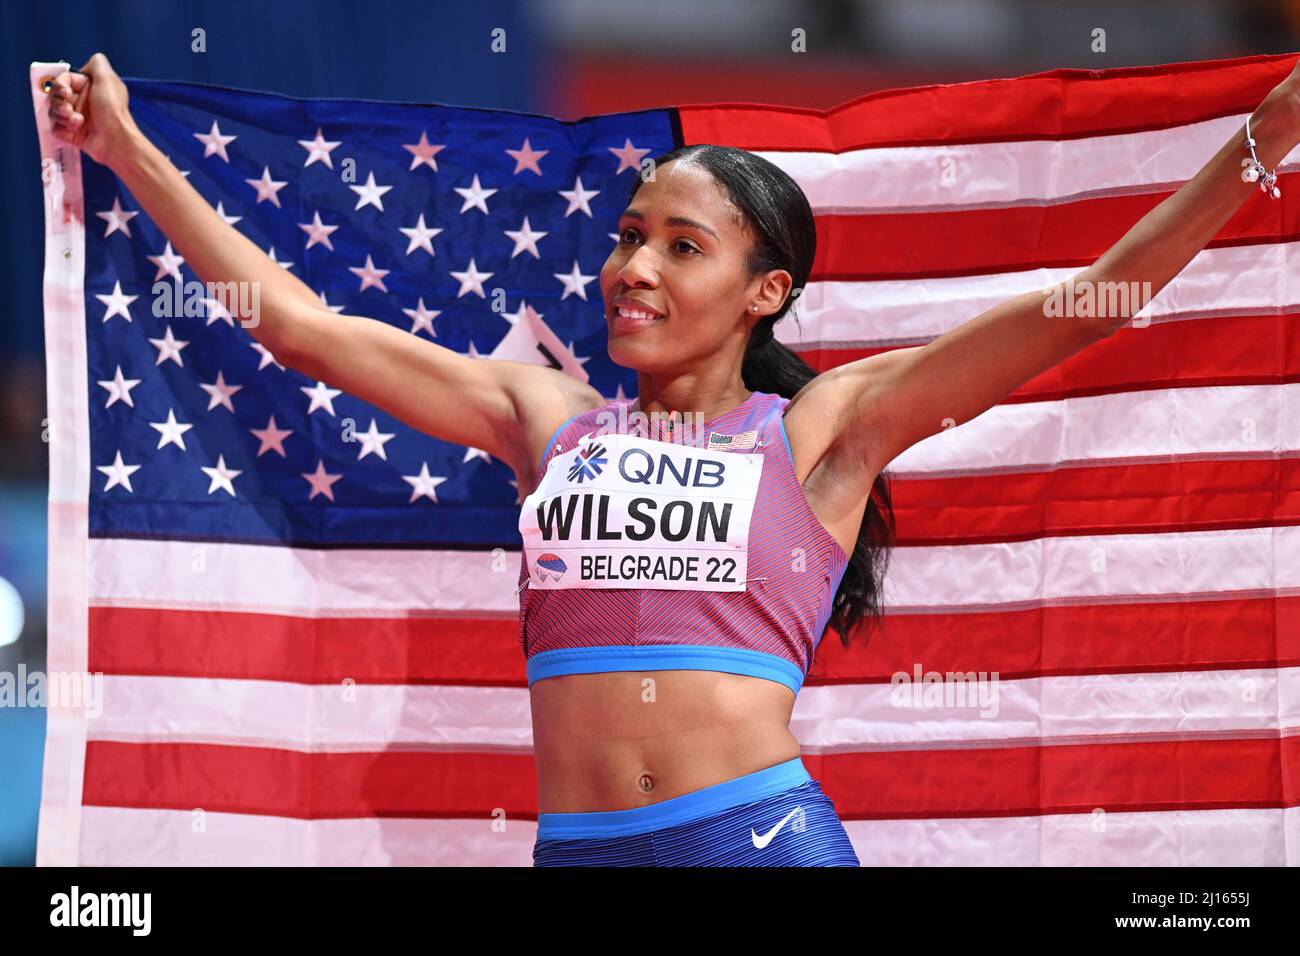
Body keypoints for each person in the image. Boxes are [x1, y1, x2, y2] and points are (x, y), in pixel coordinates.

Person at [48, 53, 1300, 867]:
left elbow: (1093, 297)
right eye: (628, 236)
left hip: (752, 839)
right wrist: (126, 151)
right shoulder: (545, 415)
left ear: (767, 290)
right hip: (577, 848)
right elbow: (302, 328)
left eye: (680, 247)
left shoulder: (826, 430)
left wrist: (1260, 145)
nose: (632, 267)